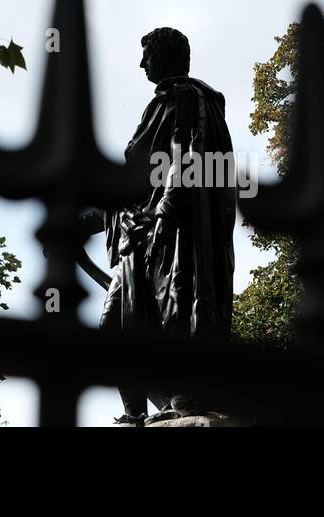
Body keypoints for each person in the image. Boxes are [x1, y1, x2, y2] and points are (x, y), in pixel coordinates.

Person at [80, 27, 237, 426]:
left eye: (146, 54)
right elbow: (138, 185)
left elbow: (191, 157)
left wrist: (167, 212)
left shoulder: (188, 98)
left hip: (174, 238)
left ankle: (183, 398)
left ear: (166, 56)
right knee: (113, 329)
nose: (141, 63)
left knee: (174, 316)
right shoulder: (164, 105)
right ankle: (135, 415)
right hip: (141, 238)